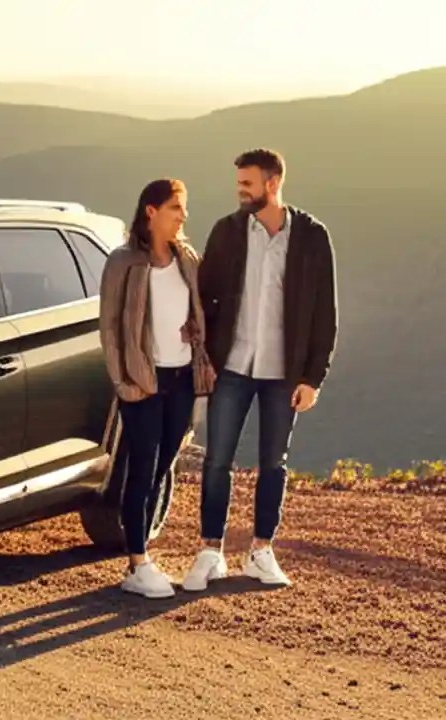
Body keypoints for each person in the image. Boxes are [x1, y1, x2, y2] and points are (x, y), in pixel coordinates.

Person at [182, 148, 338, 592]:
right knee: (217, 461)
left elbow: (325, 313)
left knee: (274, 464)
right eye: (238, 184)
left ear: (272, 183)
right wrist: (205, 359)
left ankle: (261, 552)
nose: (240, 192)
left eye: (247, 184)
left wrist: (313, 378)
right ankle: (210, 553)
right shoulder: (228, 232)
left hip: (283, 374)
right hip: (231, 367)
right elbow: (206, 298)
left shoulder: (311, 237)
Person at [100, 178, 216, 599]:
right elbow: (110, 329)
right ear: (151, 211)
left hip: (181, 377)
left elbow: (197, 309)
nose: (183, 216)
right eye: (175, 208)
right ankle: (138, 562)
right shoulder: (124, 262)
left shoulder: (187, 257)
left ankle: (141, 558)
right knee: (142, 468)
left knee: (164, 465)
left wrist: (195, 335)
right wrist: (124, 382)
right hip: (142, 381)